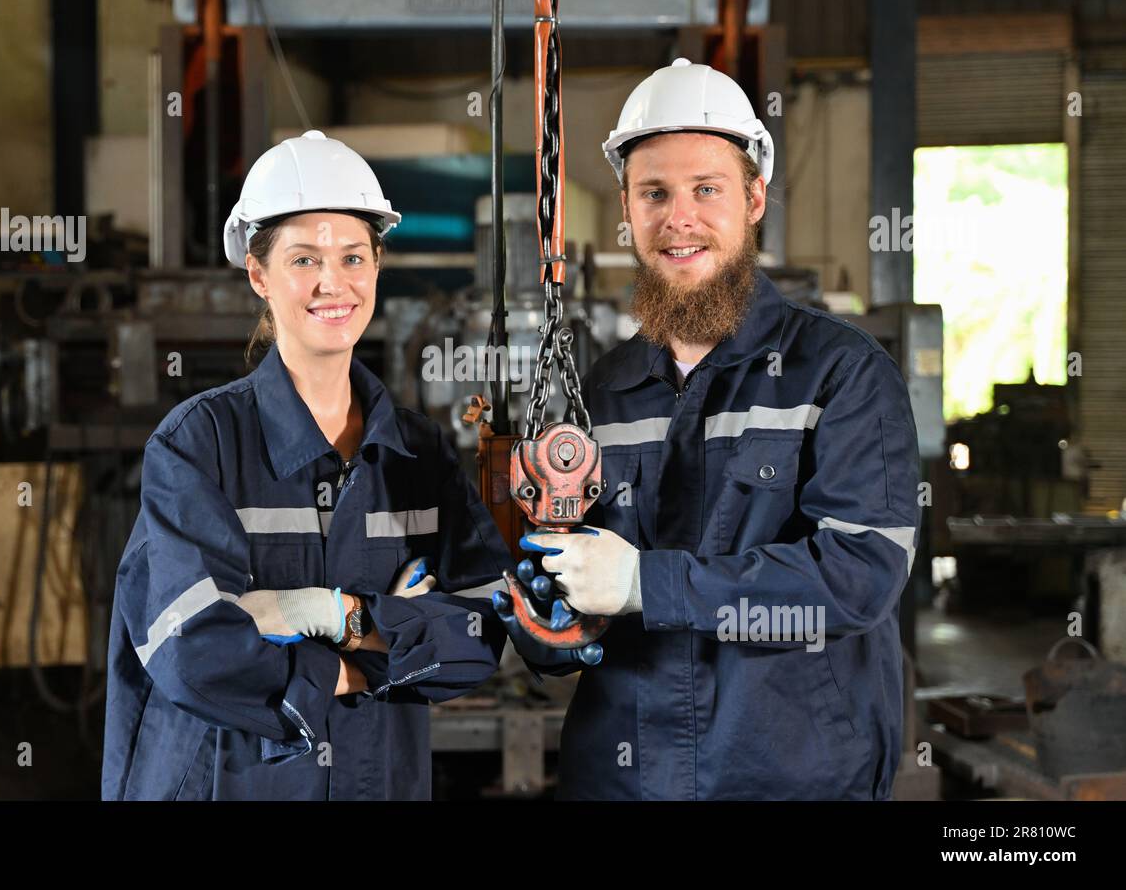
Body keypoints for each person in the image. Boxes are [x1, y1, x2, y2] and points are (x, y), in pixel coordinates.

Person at [495, 60, 922, 800]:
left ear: (754, 198)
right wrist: (548, 623)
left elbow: (858, 579)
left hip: (790, 780)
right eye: (653, 193)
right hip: (620, 779)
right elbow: (584, 612)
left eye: (706, 190)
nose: (678, 218)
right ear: (626, 209)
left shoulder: (841, 375)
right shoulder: (601, 390)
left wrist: (643, 582)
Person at [103, 131, 509, 800]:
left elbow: (481, 627)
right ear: (259, 275)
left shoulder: (418, 452)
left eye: (353, 256)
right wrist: (374, 656)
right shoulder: (197, 446)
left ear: (378, 265)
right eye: (303, 259)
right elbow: (192, 652)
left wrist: (341, 614)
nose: (333, 283)